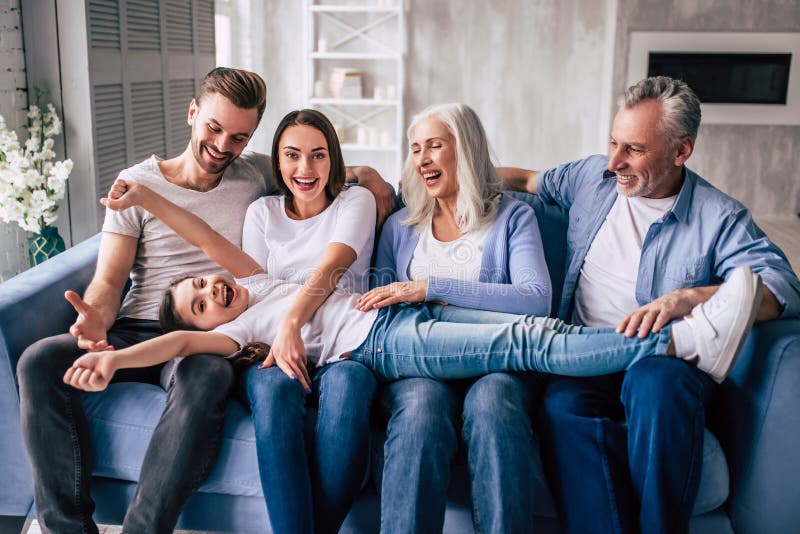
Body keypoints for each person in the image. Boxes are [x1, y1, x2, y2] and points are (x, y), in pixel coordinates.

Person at [16, 68, 393, 534]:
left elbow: (310, 167)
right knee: (38, 360)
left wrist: (371, 175)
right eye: (213, 128)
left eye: (238, 136)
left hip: (218, 330)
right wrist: (98, 318)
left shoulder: (253, 174)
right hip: (137, 325)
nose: (222, 145)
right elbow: (110, 280)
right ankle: (66, 528)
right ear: (193, 113)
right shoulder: (137, 183)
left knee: (204, 370)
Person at [64, 179, 761, 397]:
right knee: (528, 342)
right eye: (199, 300)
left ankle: (680, 341)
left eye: (203, 283)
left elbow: (205, 240)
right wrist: (116, 358)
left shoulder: (256, 278)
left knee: (540, 332)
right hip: (386, 348)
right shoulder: (239, 331)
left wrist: (147, 202)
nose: (211, 289)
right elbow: (179, 340)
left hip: (399, 316)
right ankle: (683, 345)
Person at [502, 76, 800, 534]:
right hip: (586, 355)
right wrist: (394, 181)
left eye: (635, 150)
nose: (615, 161)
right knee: (562, 406)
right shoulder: (591, 179)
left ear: (681, 151)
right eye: (613, 143)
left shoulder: (719, 217)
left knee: (656, 385)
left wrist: (692, 297)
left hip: (667, 363)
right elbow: (524, 179)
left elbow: (783, 285)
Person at [355, 102, 552, 533]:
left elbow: (536, 300)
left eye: (434, 146)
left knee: (493, 402)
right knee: (422, 407)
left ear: (464, 149)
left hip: (495, 364)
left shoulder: (514, 217)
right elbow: (377, 309)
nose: (422, 158)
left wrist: (432, 286)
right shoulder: (400, 227)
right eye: (415, 149)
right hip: (419, 367)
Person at [232, 109, 377, 534]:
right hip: (274, 348)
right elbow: (256, 292)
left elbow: (334, 267)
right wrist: (284, 335)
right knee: (274, 392)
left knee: (350, 386)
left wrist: (292, 323)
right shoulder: (261, 213)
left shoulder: (356, 200)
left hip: (344, 347)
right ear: (277, 162)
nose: (305, 169)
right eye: (292, 155)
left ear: (333, 160)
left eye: (318, 155)